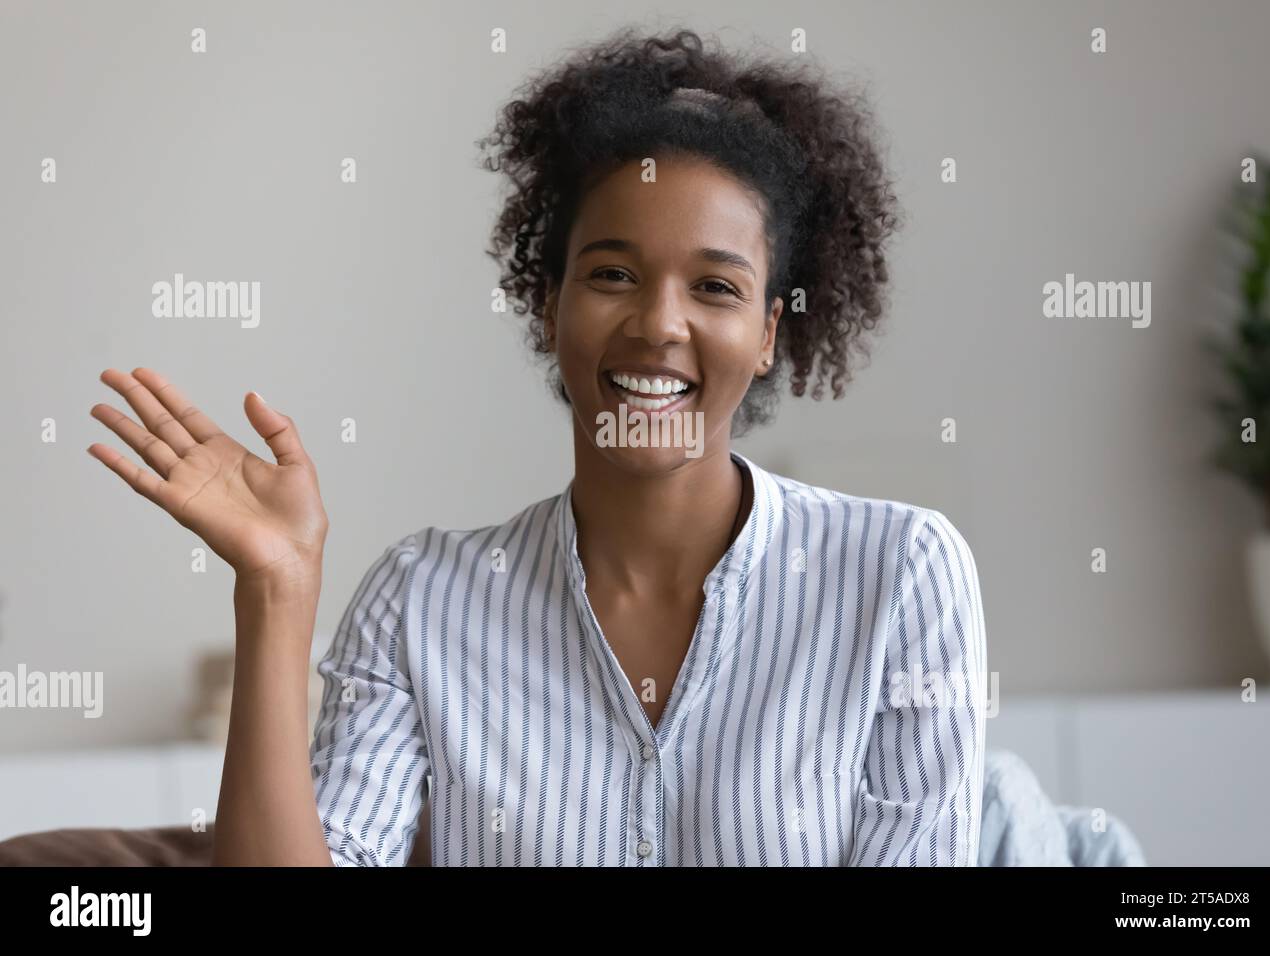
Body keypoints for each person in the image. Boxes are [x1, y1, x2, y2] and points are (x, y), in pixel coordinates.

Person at [88, 27, 986, 866]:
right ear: (549, 301)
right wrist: (276, 590)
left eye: (715, 286)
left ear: (768, 334)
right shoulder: (421, 603)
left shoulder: (899, 573)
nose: (659, 323)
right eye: (612, 275)